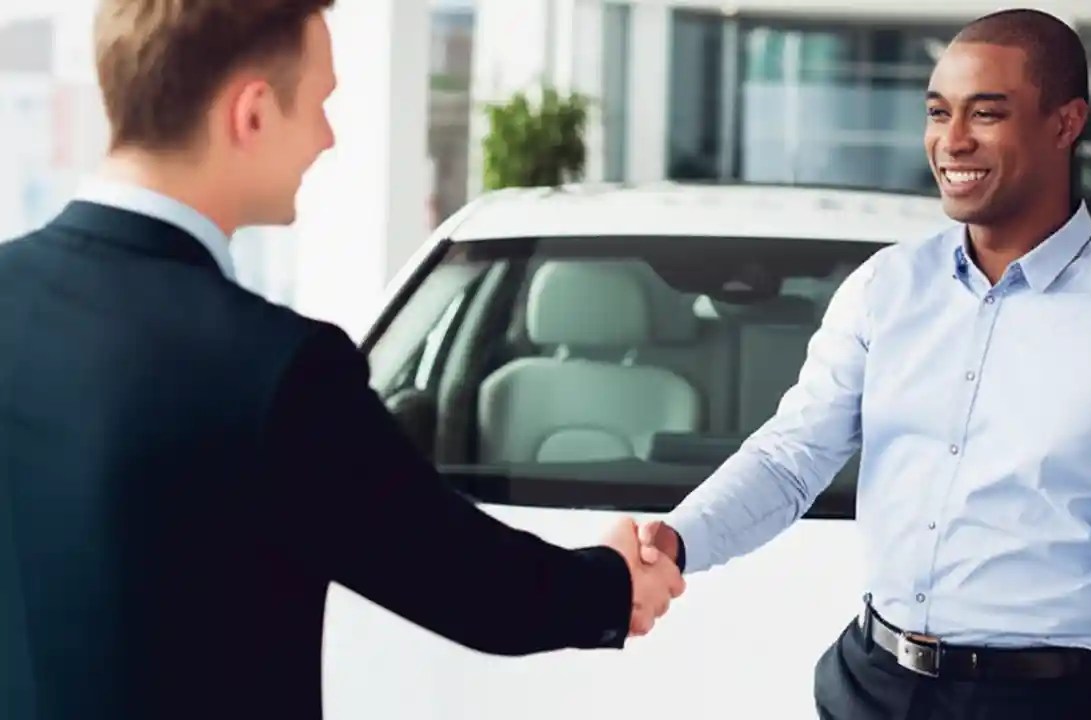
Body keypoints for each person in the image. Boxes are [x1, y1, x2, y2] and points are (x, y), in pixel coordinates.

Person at [0, 2, 684, 719]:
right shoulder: (274, 371)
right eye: (320, 103)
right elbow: (470, 582)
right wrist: (611, 582)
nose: (327, 138)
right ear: (253, 113)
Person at [638, 9, 1091, 720]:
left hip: (1032, 703)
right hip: (868, 682)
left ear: (1065, 123)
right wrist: (678, 536)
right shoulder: (887, 287)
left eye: (986, 113)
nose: (951, 141)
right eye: (939, 112)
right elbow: (792, 458)